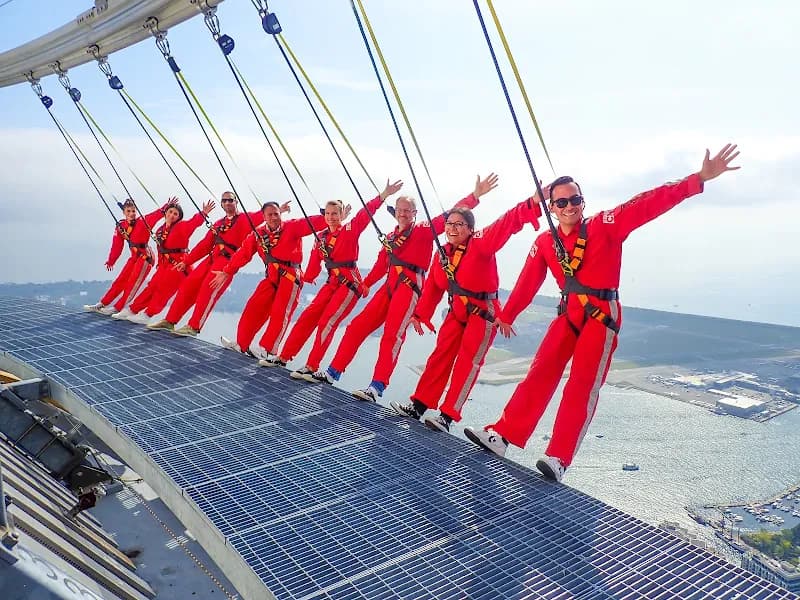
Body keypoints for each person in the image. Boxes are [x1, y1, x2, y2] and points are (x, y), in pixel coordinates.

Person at [464, 144, 740, 483]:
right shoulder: (545, 243)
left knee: (581, 384)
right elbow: (527, 283)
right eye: (561, 202)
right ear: (551, 208)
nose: (568, 207)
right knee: (539, 372)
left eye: (574, 200)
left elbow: (648, 203)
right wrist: (508, 313)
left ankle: (558, 457)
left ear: (583, 203)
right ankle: (503, 436)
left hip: (601, 315)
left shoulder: (605, 225)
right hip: (568, 315)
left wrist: (697, 179)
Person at [306, 175, 498, 402]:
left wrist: (474, 196)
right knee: (356, 327)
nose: (403, 214)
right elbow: (381, 265)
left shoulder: (423, 231)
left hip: (408, 289)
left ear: (414, 213)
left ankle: (377, 386)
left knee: (392, 337)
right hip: (388, 287)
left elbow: (447, 217)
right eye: (400, 210)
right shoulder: (391, 237)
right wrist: (366, 284)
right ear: (395, 212)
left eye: (408, 210)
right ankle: (333, 371)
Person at [390, 181, 542, 432]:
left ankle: (447, 416)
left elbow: (505, 223)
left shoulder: (481, 244)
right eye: (449, 224)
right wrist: (420, 314)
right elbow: (433, 289)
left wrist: (532, 203)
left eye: (459, 224)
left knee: (467, 363)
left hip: (483, 313)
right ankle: (419, 405)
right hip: (457, 311)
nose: (452, 228)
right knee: (439, 356)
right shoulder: (443, 255)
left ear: (470, 229)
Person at [261, 179, 403, 379]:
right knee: (307, 317)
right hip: (332, 283)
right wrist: (305, 278)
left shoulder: (350, 230)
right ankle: (283, 357)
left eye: (334, 213)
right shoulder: (321, 238)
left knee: (327, 323)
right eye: (327, 214)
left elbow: (365, 213)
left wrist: (383, 195)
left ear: (341, 214)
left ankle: (311, 365)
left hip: (349, 284)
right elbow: (313, 264)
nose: (330, 217)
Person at [147, 192, 281, 336]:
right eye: (224, 200)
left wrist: (279, 211)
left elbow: (265, 214)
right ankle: (170, 321)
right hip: (212, 258)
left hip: (227, 261)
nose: (228, 203)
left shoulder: (245, 218)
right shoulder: (218, 224)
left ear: (236, 202)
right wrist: (187, 261)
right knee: (188, 286)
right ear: (222, 204)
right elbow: (205, 245)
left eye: (230, 200)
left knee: (207, 291)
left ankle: (194, 326)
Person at [210, 201, 328, 357]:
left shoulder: (292, 227)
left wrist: (327, 213)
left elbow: (312, 223)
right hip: (271, 277)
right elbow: (243, 254)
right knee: (253, 308)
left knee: (280, 313)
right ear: (264, 216)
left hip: (291, 277)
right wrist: (227, 271)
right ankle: (242, 344)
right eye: (269, 215)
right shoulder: (258, 234)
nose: (273, 217)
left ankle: (267, 350)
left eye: (276, 214)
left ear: (280, 214)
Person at [113, 200, 215, 323]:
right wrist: (159, 265)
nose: (172, 215)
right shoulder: (160, 230)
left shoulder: (182, 227)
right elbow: (161, 250)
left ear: (179, 217)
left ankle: (148, 315)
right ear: (166, 213)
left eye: (175, 214)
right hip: (164, 266)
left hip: (178, 267)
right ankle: (132, 310)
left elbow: (194, 222)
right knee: (151, 287)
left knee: (162, 292)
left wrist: (203, 213)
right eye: (170, 212)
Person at [84, 198, 172, 315]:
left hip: (145, 257)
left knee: (132, 284)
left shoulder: (143, 221)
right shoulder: (121, 226)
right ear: (124, 212)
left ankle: (117, 308)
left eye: (133, 211)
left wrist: (166, 207)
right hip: (134, 257)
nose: (132, 214)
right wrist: (111, 261)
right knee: (120, 280)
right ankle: (102, 303)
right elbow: (117, 245)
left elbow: (157, 214)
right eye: (128, 211)